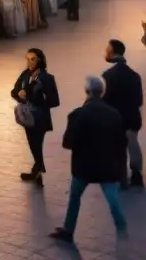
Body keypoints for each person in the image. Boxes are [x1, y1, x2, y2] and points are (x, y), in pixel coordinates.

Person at [50, 75, 127, 243]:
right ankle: (122, 229)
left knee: (75, 197)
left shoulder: (78, 114)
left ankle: (68, 230)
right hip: (108, 167)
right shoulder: (114, 114)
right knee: (113, 199)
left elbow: (67, 142)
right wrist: (121, 170)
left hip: (84, 167)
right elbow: (122, 143)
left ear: (87, 91)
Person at [10, 48, 60, 186]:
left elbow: (54, 101)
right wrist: (19, 96)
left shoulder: (47, 78)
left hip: (40, 117)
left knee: (36, 144)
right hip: (27, 116)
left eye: (33, 59)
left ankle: (37, 170)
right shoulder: (25, 75)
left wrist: (39, 100)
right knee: (33, 144)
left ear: (40, 60)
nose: (30, 62)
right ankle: (37, 169)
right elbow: (14, 91)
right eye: (28, 59)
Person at [102, 39, 144, 187]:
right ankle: (136, 174)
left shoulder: (107, 76)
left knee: (118, 149)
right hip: (133, 118)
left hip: (117, 119)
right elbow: (139, 100)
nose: (105, 52)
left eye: (107, 50)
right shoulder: (134, 75)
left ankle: (121, 178)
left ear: (113, 53)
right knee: (133, 144)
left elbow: (105, 100)